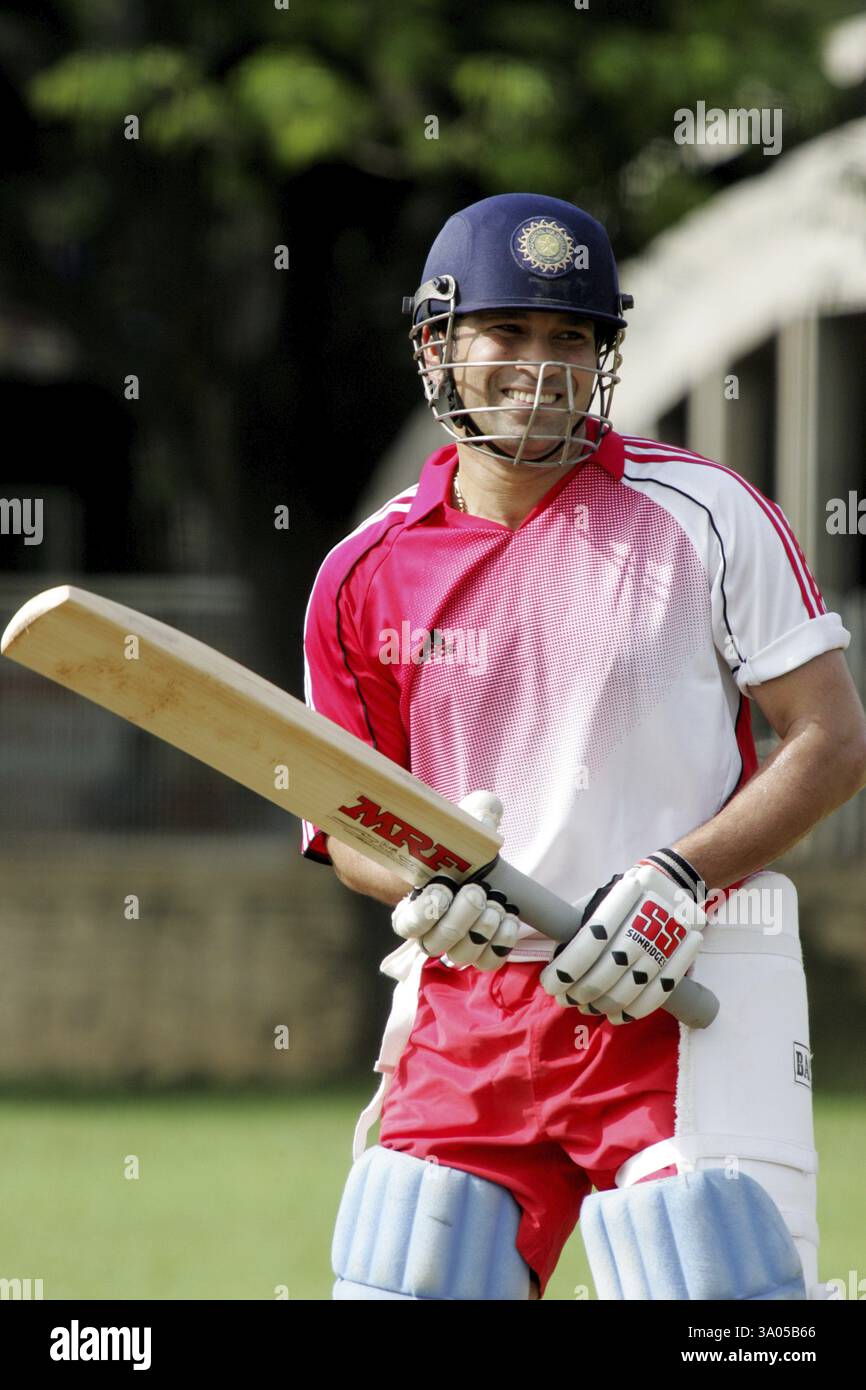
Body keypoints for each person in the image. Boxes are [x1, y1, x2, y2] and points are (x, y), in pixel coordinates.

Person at [301, 193, 866, 1300]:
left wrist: (675, 878)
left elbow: (828, 740)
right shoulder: (363, 569)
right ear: (436, 346)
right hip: (467, 1011)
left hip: (680, 989)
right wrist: (419, 883)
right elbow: (337, 813)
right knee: (407, 1279)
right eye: (506, 331)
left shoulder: (704, 509)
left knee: (721, 1304)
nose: (541, 366)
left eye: (571, 339)